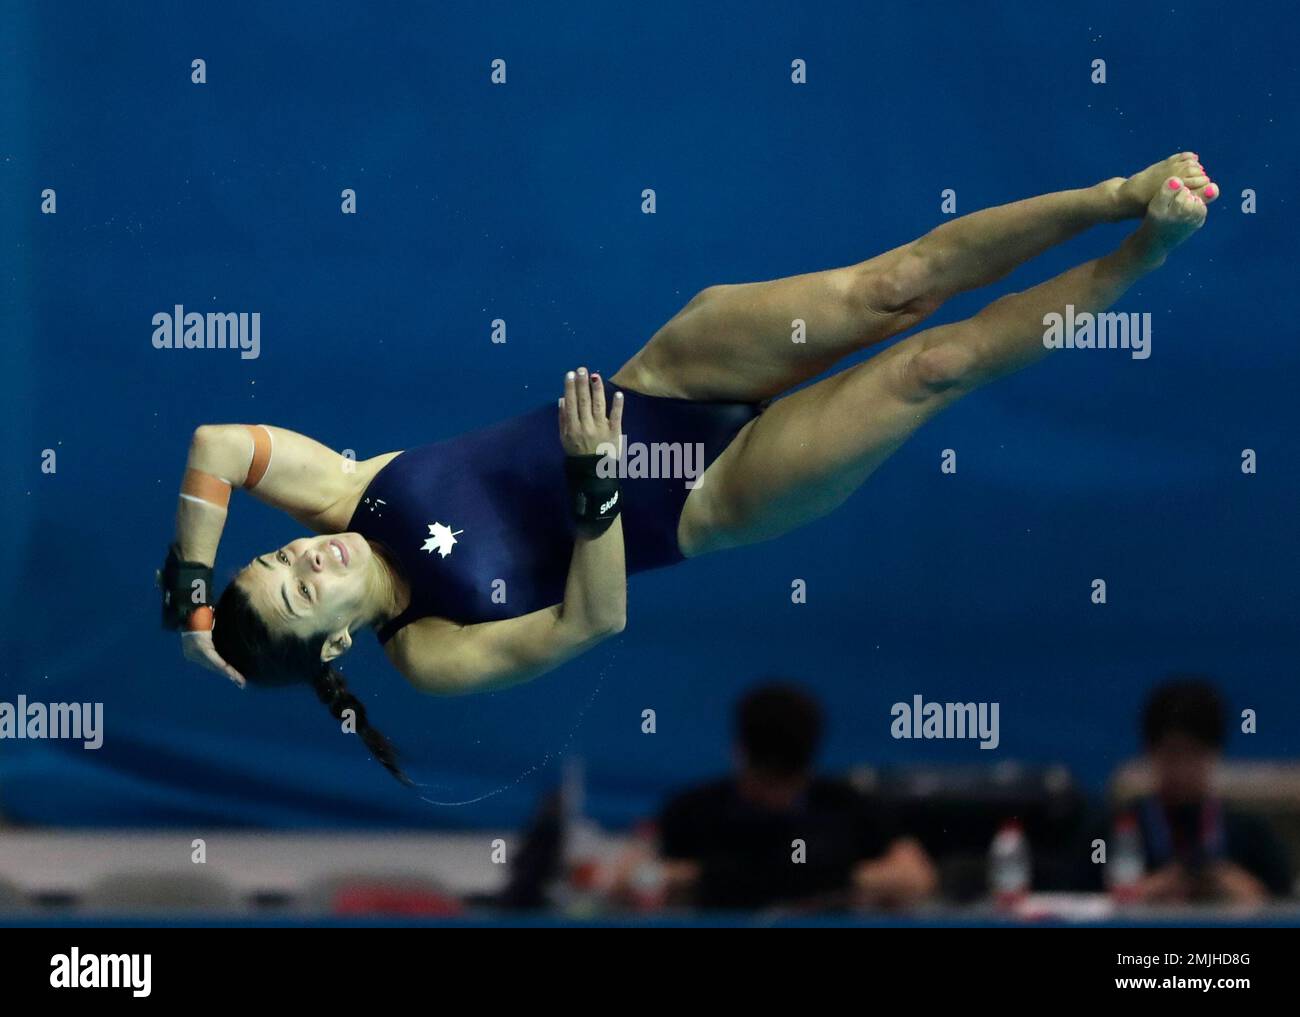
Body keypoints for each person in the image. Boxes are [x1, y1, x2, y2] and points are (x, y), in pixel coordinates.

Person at [159, 155, 1216, 779]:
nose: (310, 553)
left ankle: (1120, 192)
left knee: (891, 288)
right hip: (711, 498)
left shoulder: (350, 494)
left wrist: (192, 593)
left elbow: (214, 444)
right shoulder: (427, 654)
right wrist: (592, 482)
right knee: (934, 367)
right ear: (337, 636)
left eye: (283, 553)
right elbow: (593, 621)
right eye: (304, 585)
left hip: (666, 374)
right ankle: (1142, 256)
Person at [651, 684, 936, 910]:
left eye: (786, 783)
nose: (775, 798)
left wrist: (816, 879)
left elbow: (917, 877)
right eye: (765, 782)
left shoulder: (849, 808)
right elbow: (634, 876)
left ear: (808, 768)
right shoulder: (692, 811)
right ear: (739, 756)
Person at [1114, 677, 1292, 904]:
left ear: (1215, 753)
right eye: (1172, 754)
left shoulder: (1253, 838)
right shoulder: (1117, 829)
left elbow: (1285, 907)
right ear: (1150, 753)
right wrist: (1133, 896)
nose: (1181, 769)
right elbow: (1075, 903)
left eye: (1193, 754)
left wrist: (1252, 895)